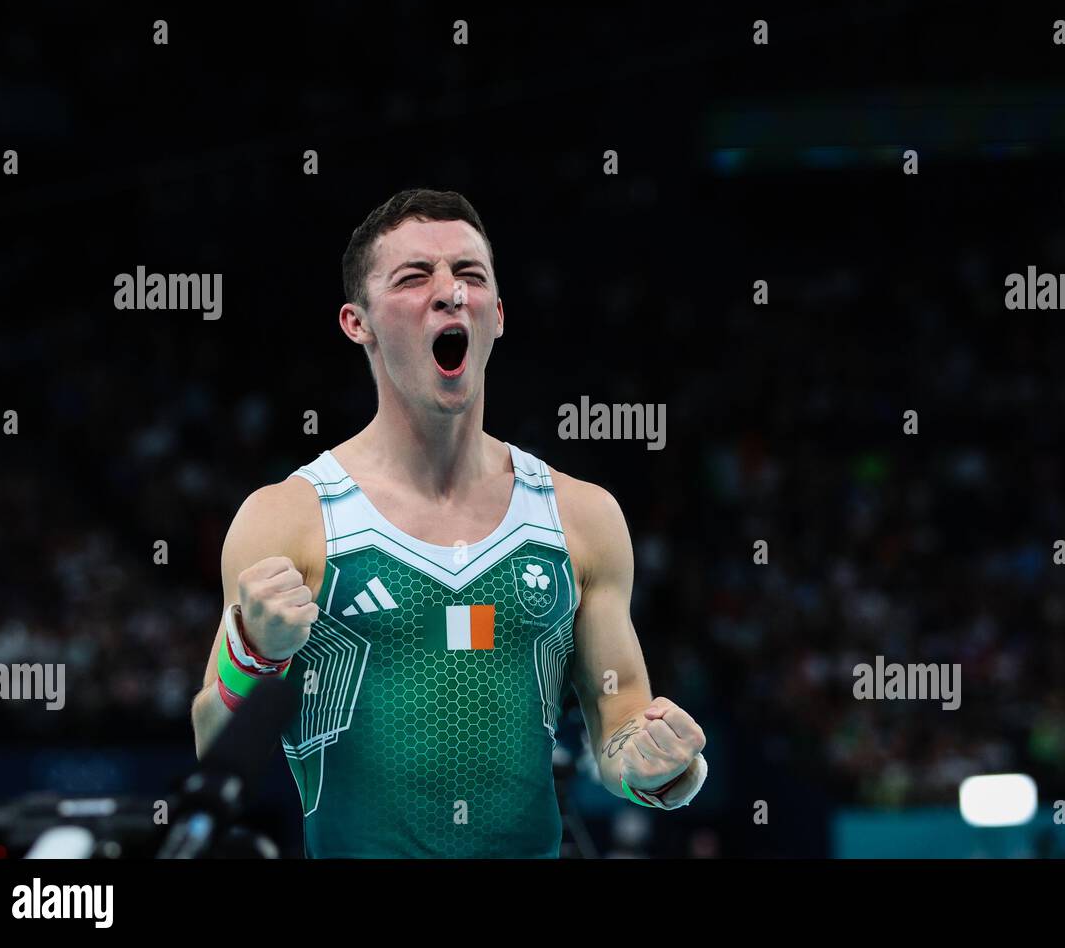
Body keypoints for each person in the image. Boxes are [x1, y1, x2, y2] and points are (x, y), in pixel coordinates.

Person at [189, 189, 707, 857]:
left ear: (496, 313)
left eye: (470, 275)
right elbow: (213, 747)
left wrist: (666, 770)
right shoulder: (287, 519)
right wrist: (250, 654)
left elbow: (622, 729)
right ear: (358, 322)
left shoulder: (582, 517)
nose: (450, 293)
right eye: (414, 277)